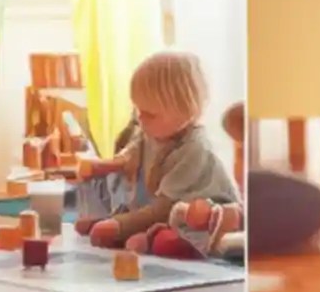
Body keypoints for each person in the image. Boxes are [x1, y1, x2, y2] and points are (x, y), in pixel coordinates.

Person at [75, 50, 240, 257]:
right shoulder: (152, 132)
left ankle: (148, 236)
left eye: (150, 114)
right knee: (104, 188)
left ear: (186, 112)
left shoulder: (195, 150)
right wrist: (103, 166)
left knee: (167, 240)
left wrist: (120, 225)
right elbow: (130, 155)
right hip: (158, 213)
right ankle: (132, 229)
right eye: (138, 110)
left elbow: (164, 208)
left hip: (195, 221)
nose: (140, 119)